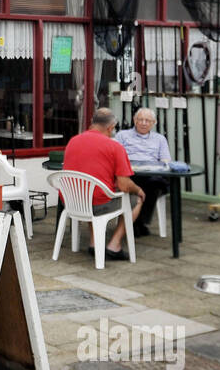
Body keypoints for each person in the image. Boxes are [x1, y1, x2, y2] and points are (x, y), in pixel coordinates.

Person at [61, 107, 144, 260]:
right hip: (96, 204)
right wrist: (138, 189)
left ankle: (94, 244)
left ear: (93, 123)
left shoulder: (73, 141)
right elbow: (125, 185)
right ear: (111, 127)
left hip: (73, 202)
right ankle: (114, 245)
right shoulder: (114, 147)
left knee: (92, 191)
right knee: (135, 199)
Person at [114, 107, 170, 236]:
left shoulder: (160, 139)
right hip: (130, 174)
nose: (144, 123)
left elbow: (166, 160)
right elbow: (115, 156)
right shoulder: (122, 135)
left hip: (151, 175)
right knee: (137, 183)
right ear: (134, 120)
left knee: (155, 183)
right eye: (141, 120)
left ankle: (138, 222)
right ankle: (136, 223)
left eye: (148, 120)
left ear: (154, 123)